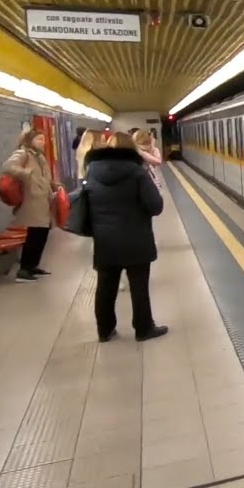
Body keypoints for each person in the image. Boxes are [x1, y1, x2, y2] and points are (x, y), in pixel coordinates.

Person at [83, 132, 169, 343]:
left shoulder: (92, 170)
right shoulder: (137, 171)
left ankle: (104, 330)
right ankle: (143, 329)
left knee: (105, 287)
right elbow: (155, 206)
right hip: (135, 237)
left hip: (105, 238)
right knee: (139, 287)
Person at [2, 129, 60, 282]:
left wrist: (55, 187)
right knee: (34, 236)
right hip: (32, 201)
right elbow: (8, 167)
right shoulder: (23, 153)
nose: (43, 142)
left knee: (41, 235)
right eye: (39, 139)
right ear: (30, 140)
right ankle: (24, 270)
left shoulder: (40, 156)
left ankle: (33, 265)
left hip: (44, 201)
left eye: (43, 139)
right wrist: (25, 173)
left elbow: (45, 177)